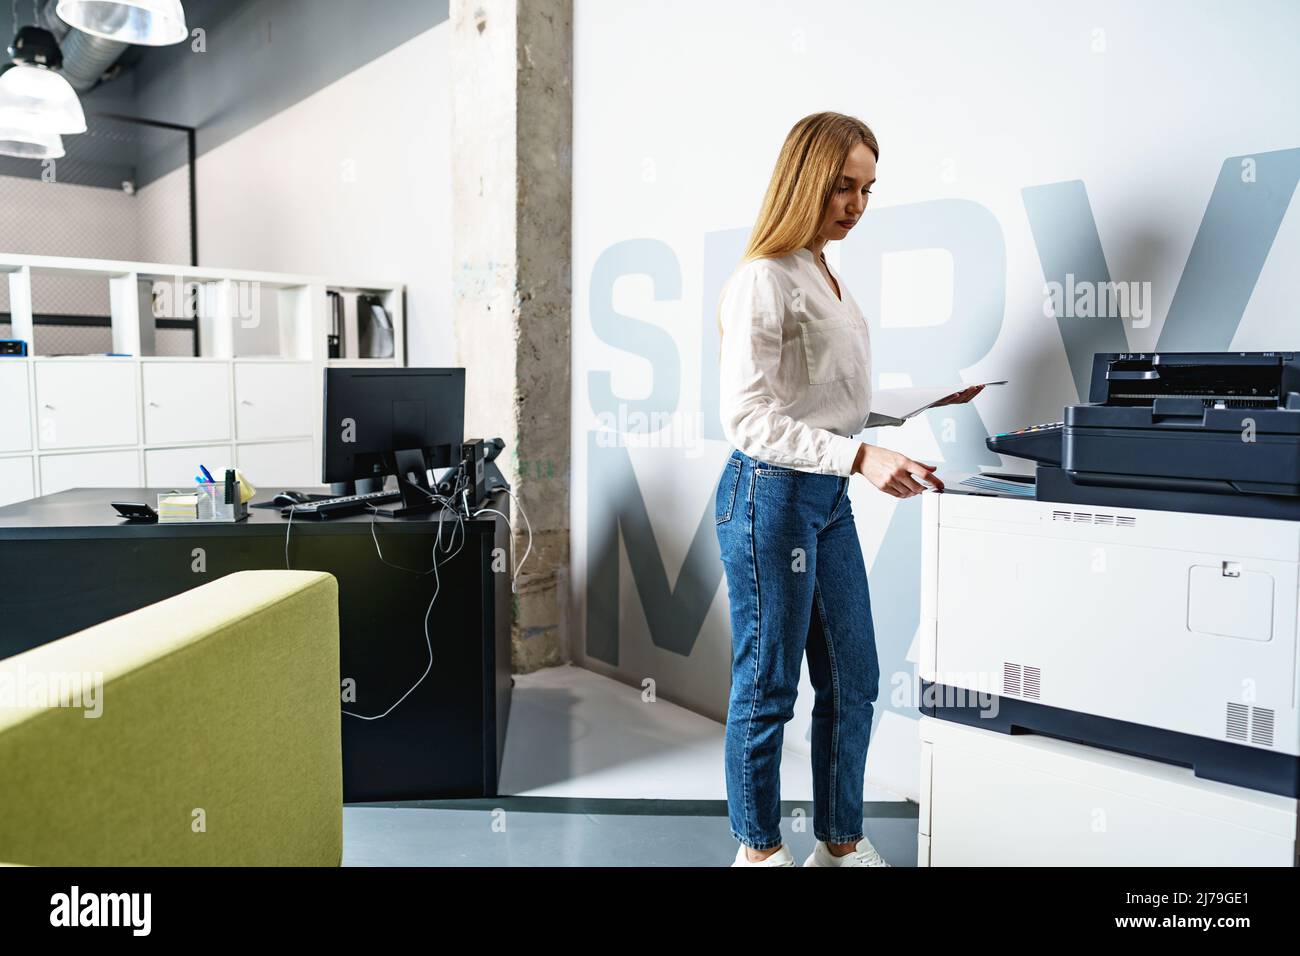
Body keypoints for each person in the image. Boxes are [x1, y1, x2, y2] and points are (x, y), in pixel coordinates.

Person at [714, 111, 983, 867]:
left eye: (866, 189)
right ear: (804, 180)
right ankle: (759, 854)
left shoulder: (824, 272)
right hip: (768, 497)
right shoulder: (763, 278)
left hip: (821, 500)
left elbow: (818, 401)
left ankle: (840, 846)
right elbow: (748, 420)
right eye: (841, 186)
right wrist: (862, 457)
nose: (856, 205)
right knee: (769, 688)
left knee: (855, 680)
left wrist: (917, 404)